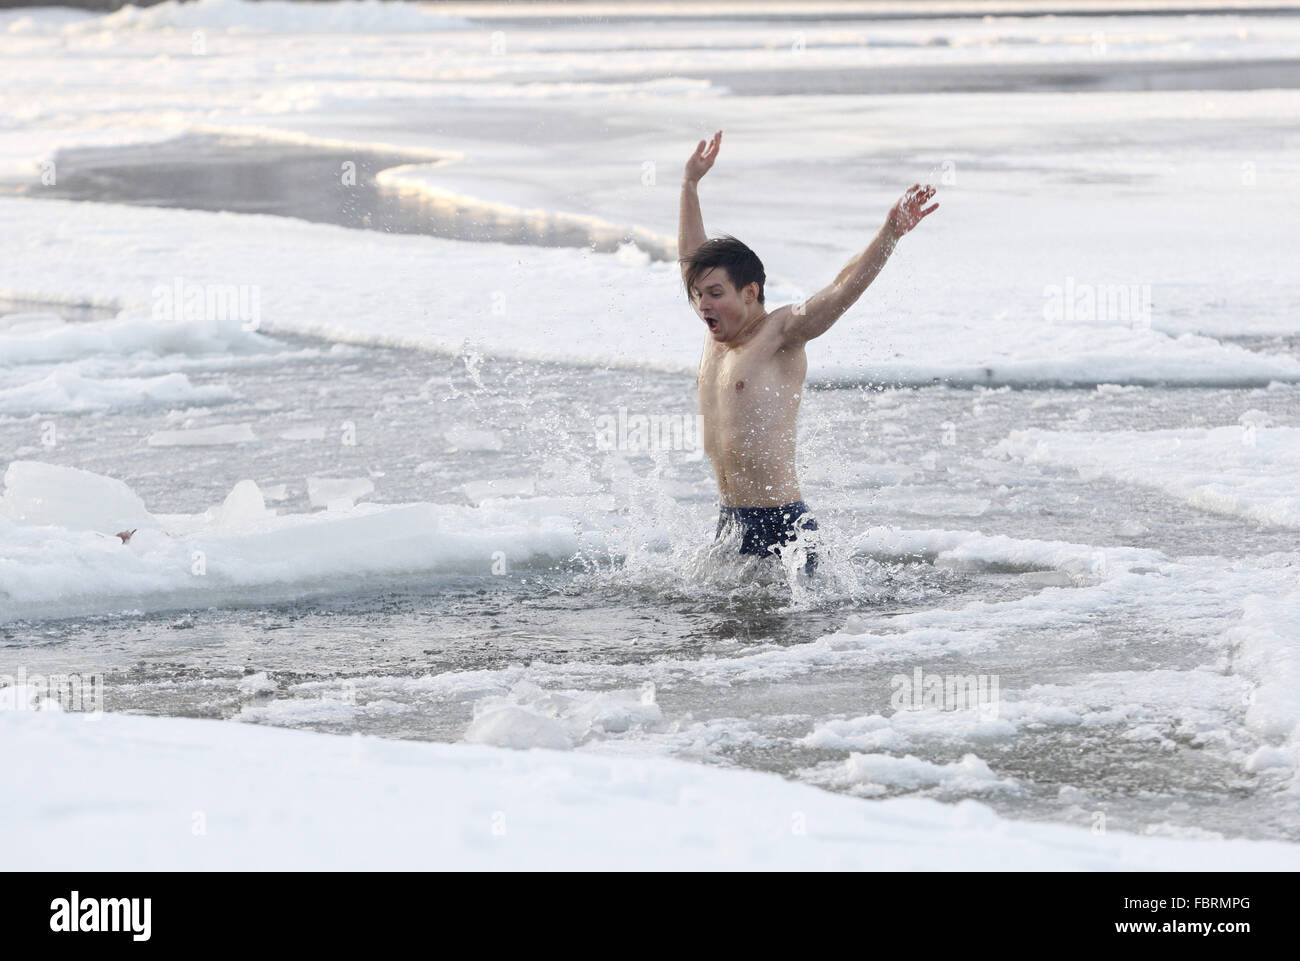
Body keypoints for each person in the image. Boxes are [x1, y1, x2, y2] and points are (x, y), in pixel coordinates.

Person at [678, 129, 939, 576]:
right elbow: (690, 258)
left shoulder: (781, 330)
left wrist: (890, 234)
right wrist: (690, 185)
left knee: (793, 643)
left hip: (781, 528)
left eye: (715, 292)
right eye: (700, 294)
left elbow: (840, 289)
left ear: (750, 292)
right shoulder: (715, 335)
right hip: (729, 526)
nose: (703, 303)